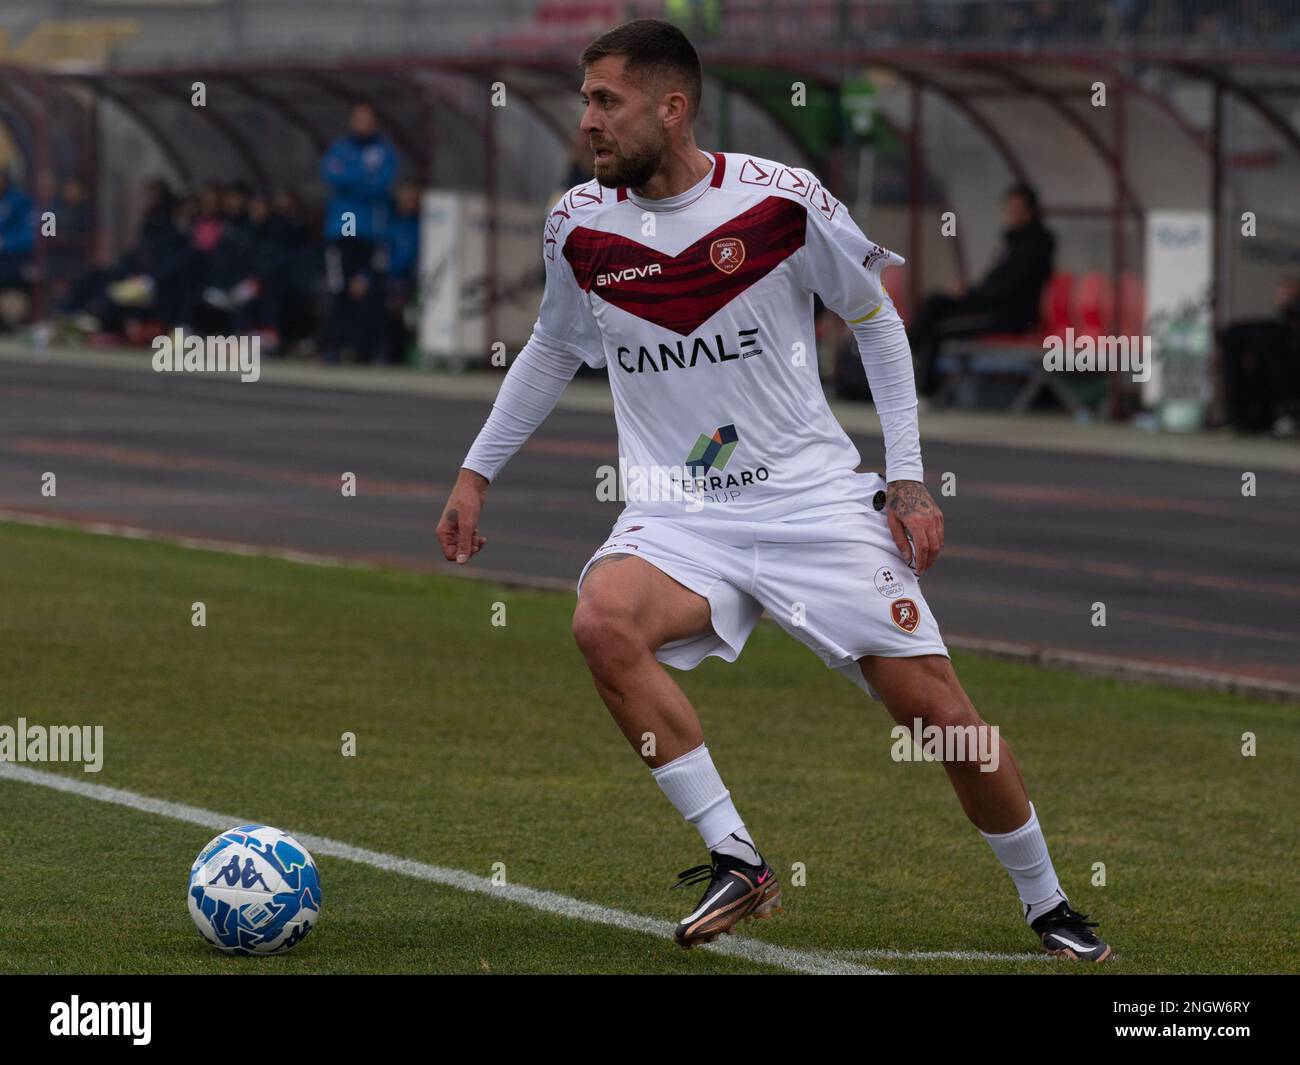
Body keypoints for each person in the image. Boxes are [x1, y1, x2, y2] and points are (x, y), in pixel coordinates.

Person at [437, 18, 1110, 962]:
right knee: (602, 621)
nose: (587, 121)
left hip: (815, 507)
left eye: (605, 100)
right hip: (678, 513)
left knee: (943, 721)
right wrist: (476, 471)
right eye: (584, 99)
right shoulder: (577, 224)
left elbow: (876, 319)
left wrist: (908, 480)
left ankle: (1049, 904)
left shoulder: (782, 202)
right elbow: (551, 347)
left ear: (671, 108)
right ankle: (736, 858)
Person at [909, 182, 1056, 397]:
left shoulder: (1035, 247)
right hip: (992, 307)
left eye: (1017, 209)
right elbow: (993, 283)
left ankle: (923, 387)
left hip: (1010, 317)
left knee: (939, 328)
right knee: (935, 302)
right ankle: (907, 351)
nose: (1011, 214)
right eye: (1009, 209)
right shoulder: (1012, 243)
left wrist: (968, 295)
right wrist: (966, 293)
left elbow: (1009, 289)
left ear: (1030, 212)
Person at [319, 101, 395, 363]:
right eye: (358, 118)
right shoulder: (339, 148)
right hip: (341, 232)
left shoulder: (384, 151)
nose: (363, 123)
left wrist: (351, 181)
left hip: (371, 233)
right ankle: (333, 349)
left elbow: (382, 185)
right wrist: (363, 176)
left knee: (372, 292)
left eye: (367, 118)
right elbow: (331, 176)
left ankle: (374, 351)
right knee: (339, 291)